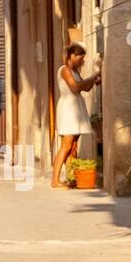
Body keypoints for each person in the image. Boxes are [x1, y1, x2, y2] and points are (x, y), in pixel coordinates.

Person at [51, 43, 100, 188]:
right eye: (80, 58)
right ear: (72, 56)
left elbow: (85, 87)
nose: (82, 62)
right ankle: (55, 180)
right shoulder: (65, 70)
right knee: (66, 144)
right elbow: (76, 87)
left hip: (76, 108)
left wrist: (93, 79)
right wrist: (92, 77)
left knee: (73, 146)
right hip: (68, 109)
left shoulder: (76, 72)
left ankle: (71, 178)